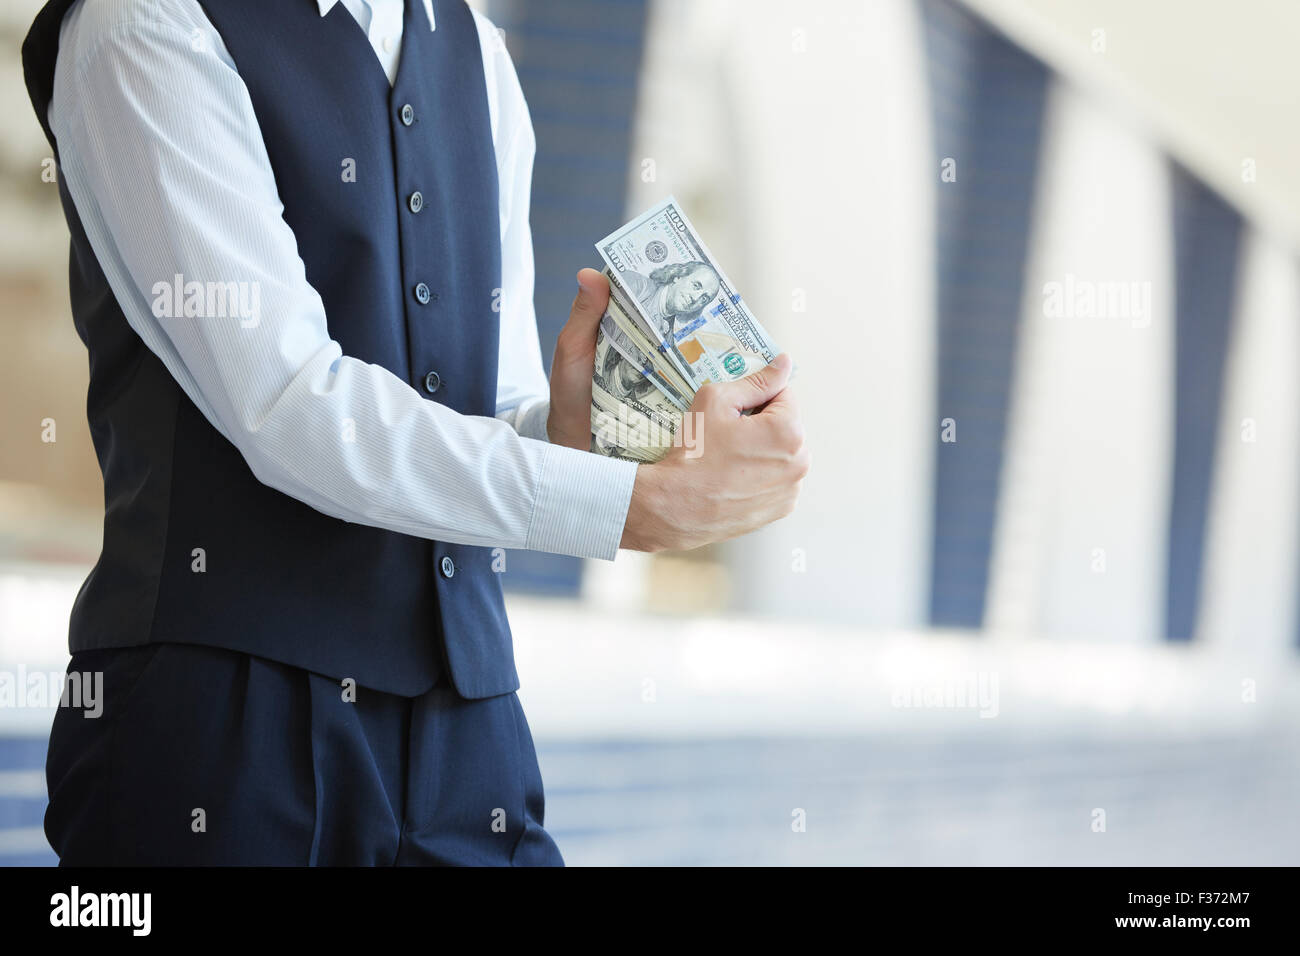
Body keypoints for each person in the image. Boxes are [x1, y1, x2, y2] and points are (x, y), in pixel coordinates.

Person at [21, 0, 808, 866]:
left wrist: (574, 434)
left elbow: (486, 409)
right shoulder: (145, 23)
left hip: (469, 726)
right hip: (224, 723)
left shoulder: (479, 52)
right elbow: (288, 404)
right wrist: (624, 505)